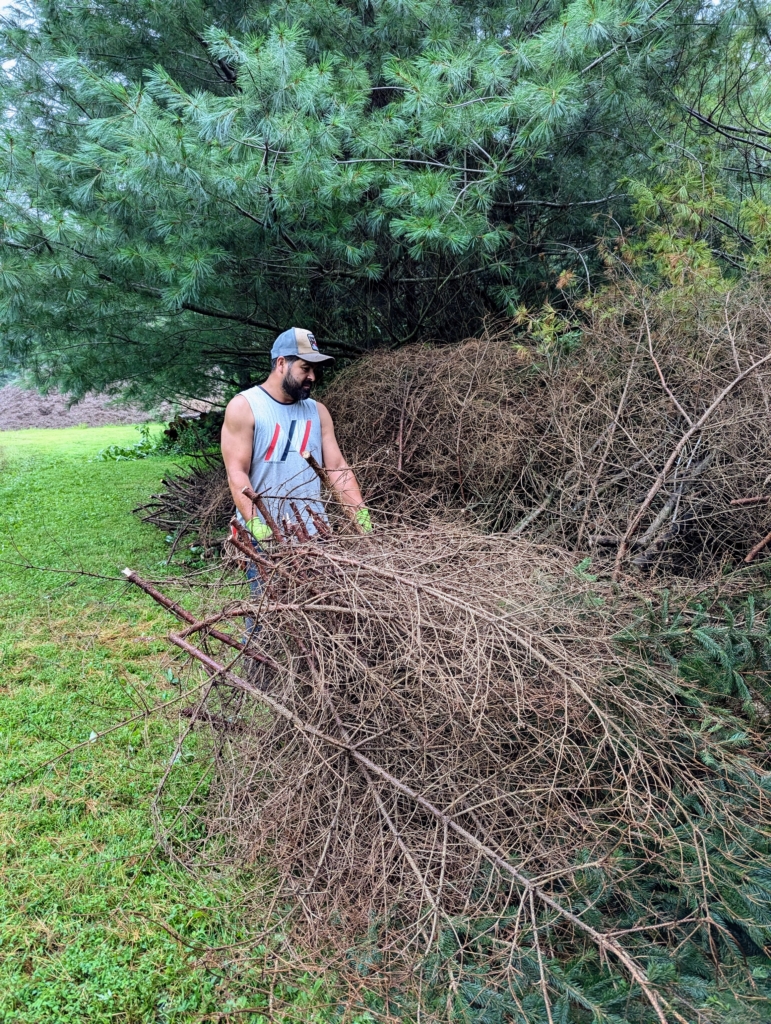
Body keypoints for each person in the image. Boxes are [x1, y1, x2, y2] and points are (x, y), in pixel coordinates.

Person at [221, 326, 372, 544]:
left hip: (315, 534)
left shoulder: (318, 412)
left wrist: (361, 516)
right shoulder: (245, 407)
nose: (312, 376)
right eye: (305, 368)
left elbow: (337, 468)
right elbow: (237, 472)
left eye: (314, 369)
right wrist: (256, 525)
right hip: (262, 538)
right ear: (281, 363)